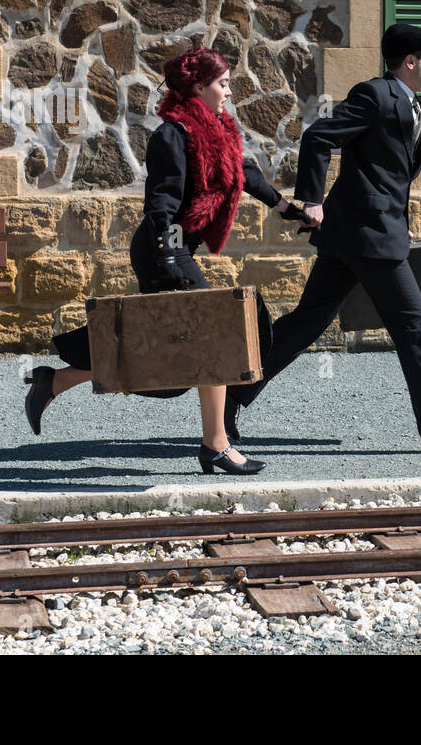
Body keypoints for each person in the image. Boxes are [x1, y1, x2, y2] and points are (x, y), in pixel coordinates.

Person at [22, 47, 312, 475]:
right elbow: (160, 205)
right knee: (213, 332)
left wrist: (289, 209)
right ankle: (215, 444)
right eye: (223, 84)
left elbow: (245, 175)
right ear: (199, 87)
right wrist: (173, 259)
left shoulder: (218, 130)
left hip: (178, 247)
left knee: (161, 345)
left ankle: (55, 381)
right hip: (163, 247)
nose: (230, 91)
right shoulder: (172, 134)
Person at [226, 23, 421, 449]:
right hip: (369, 239)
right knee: (414, 325)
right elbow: (318, 137)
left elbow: (388, 174)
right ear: (409, 62)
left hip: (362, 234)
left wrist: (400, 217)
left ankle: (230, 396)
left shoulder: (413, 106)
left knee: (305, 323)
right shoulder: (376, 95)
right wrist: (311, 200)